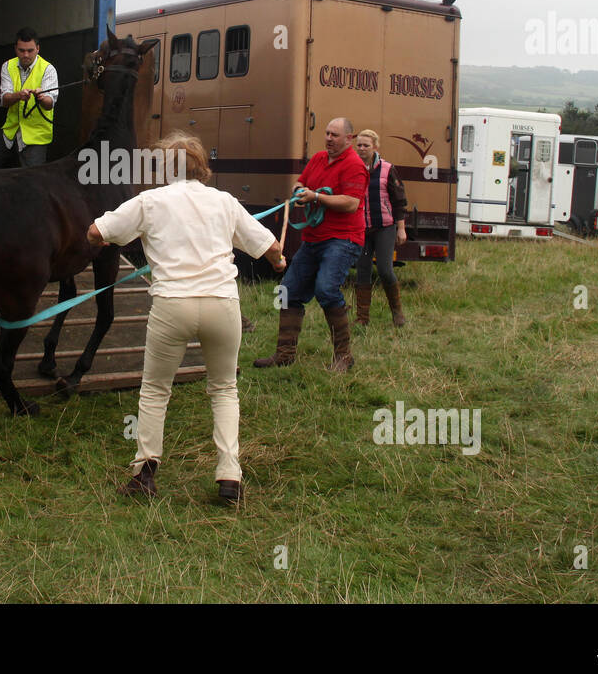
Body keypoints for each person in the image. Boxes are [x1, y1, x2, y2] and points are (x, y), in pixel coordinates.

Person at [88, 133, 285, 505]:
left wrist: (101, 241)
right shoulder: (225, 202)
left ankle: (145, 474)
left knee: (156, 389)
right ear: (200, 168)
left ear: (166, 167)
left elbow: (97, 231)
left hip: (172, 305)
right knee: (224, 388)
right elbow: (270, 247)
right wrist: (278, 262)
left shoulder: (150, 201)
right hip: (221, 304)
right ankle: (229, 476)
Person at [254, 117, 368, 372]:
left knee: (326, 290)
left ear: (349, 139)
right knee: (287, 291)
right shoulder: (318, 159)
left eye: (334, 135)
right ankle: (284, 354)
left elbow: (351, 203)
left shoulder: (354, 165)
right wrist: (299, 191)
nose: (328, 138)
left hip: (343, 239)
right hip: (314, 239)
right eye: (327, 133)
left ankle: (344, 356)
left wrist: (316, 196)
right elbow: (300, 182)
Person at [0, 27, 57, 169]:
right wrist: (18, 96)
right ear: (15, 49)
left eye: (30, 50)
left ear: (38, 49)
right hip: (11, 129)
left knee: (32, 178)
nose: (26, 55)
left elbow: (50, 103)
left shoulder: (48, 69)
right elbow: (5, 99)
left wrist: (41, 97)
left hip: (35, 134)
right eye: (21, 50)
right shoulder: (7, 66)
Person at [351, 129, 409, 327]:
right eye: (359, 145)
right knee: (362, 270)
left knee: (385, 269)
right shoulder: (352, 168)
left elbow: (399, 201)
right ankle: (362, 318)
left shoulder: (387, 169)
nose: (362, 148)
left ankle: (397, 312)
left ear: (375, 147)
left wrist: (401, 229)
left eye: (366, 145)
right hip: (361, 228)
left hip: (385, 227)